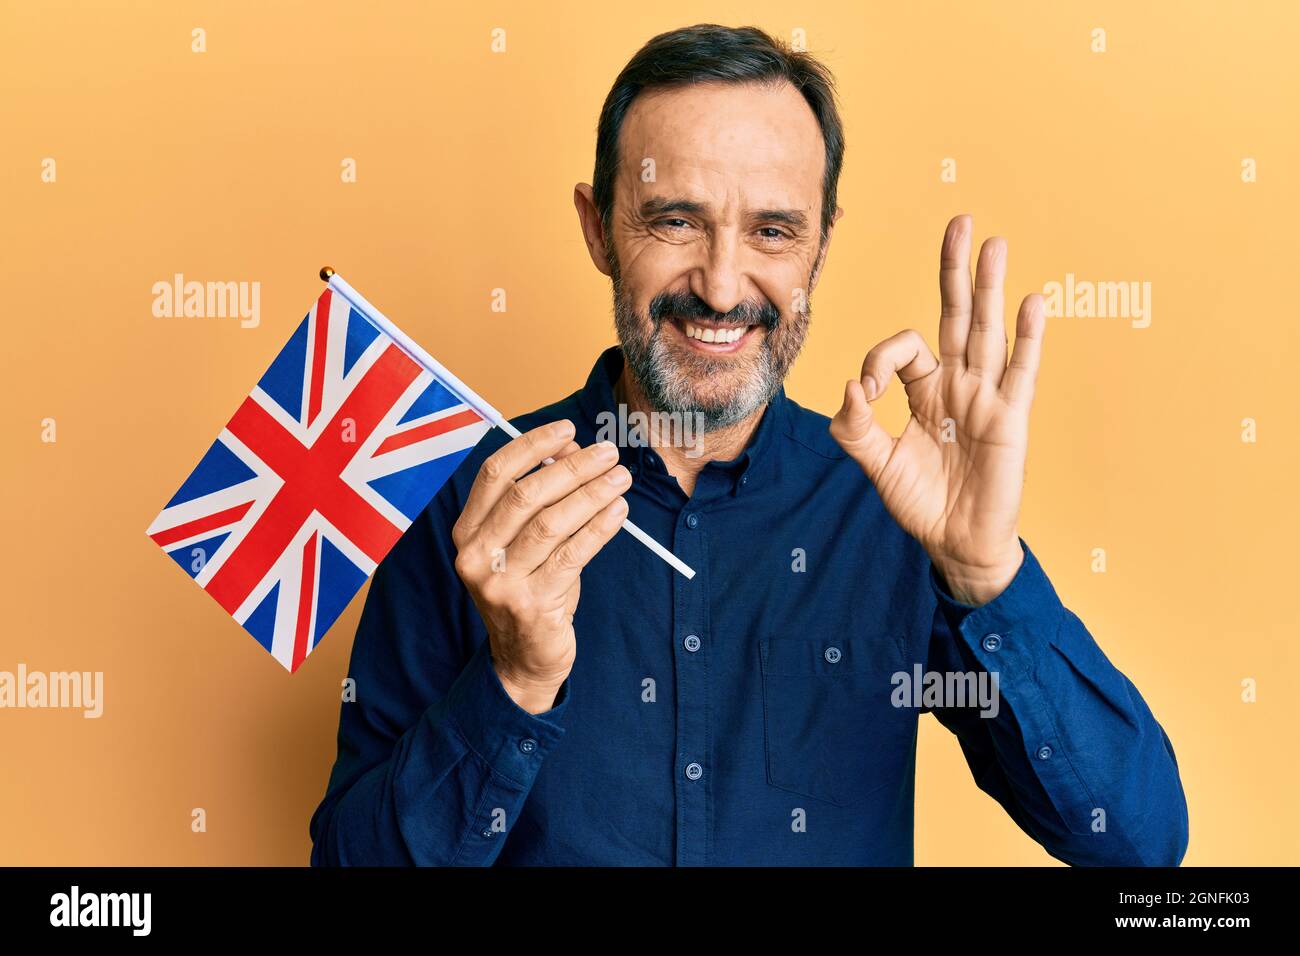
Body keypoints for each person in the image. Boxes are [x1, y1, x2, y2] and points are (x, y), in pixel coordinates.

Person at [309, 23, 1188, 866]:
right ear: (597, 228)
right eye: (675, 221)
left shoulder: (893, 511)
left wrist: (987, 577)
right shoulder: (477, 505)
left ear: (821, 244)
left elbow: (1137, 843)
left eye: (772, 230)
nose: (723, 286)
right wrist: (513, 683)